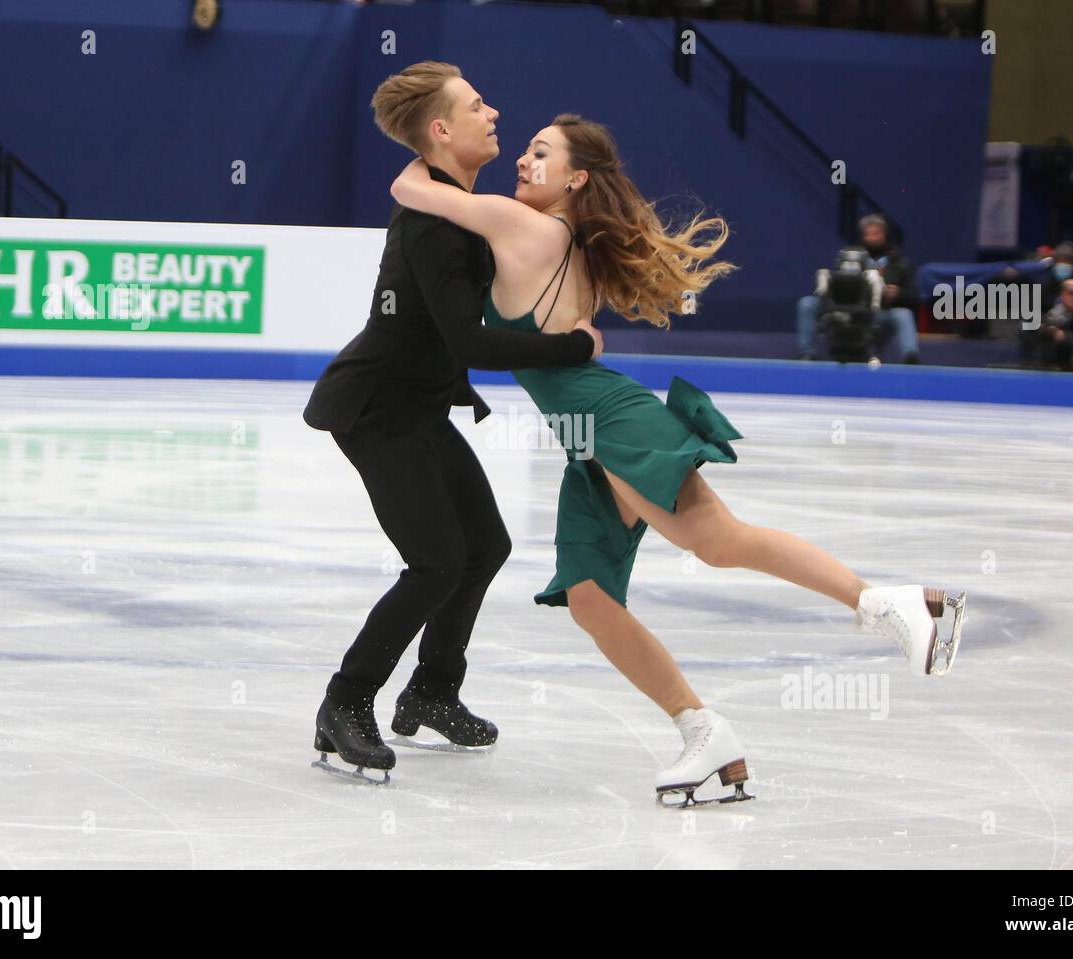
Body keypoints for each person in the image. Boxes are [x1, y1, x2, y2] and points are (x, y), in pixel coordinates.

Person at [392, 114, 966, 803]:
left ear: (576, 177)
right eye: (523, 150)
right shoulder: (567, 238)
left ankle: (884, 602)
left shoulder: (526, 226)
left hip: (611, 421)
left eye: (539, 153)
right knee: (591, 600)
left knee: (717, 539)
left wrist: (433, 137)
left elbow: (413, 186)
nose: (522, 160)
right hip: (588, 438)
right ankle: (704, 730)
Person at [302, 63, 603, 778]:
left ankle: (433, 689)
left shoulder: (451, 204)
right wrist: (573, 346)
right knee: (436, 561)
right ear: (441, 131)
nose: (492, 111)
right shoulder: (436, 223)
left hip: (421, 406)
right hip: (378, 409)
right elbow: (470, 341)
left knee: (485, 545)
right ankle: (344, 702)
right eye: (475, 106)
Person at [797, 215, 921, 363]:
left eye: (876, 234)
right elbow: (837, 281)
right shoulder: (848, 256)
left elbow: (915, 296)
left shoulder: (900, 263)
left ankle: (910, 356)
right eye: (868, 234)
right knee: (807, 304)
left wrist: (898, 294)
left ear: (885, 235)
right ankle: (808, 353)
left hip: (878, 312)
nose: (872, 238)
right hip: (844, 307)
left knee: (903, 314)